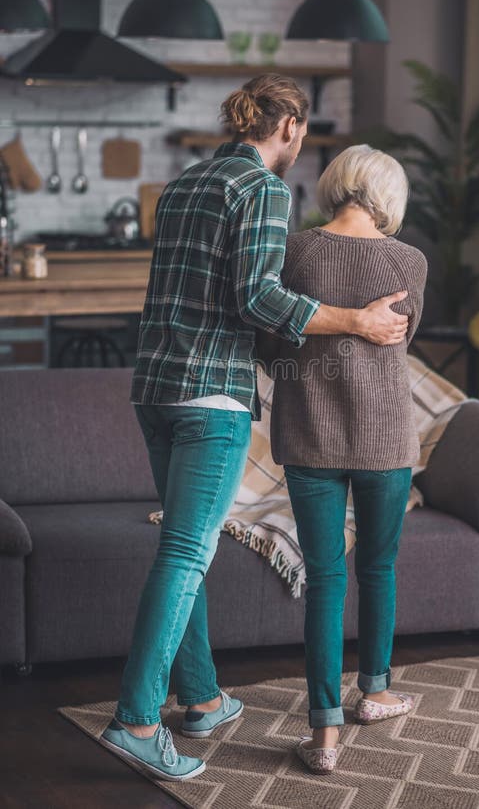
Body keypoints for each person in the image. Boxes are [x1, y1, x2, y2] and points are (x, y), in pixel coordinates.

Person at [99, 76, 413, 782]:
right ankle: (138, 720)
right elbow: (257, 297)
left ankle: (203, 698)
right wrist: (356, 320)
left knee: (188, 550)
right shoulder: (265, 190)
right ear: (291, 127)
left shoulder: (182, 184)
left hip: (155, 387)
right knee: (184, 557)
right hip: (212, 394)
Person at [256, 144, 428, 774]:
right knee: (378, 568)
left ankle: (324, 737)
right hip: (386, 444)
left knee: (325, 580)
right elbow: (400, 339)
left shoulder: (293, 252)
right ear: (389, 195)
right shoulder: (408, 260)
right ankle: (375, 692)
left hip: (309, 440)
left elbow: (269, 340)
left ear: (336, 184)